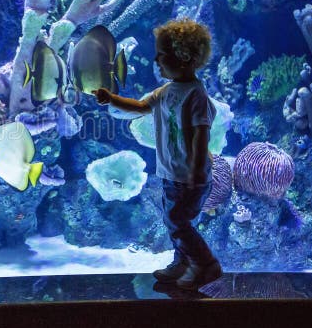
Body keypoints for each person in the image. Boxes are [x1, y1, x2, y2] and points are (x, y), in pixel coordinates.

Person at [93, 17, 222, 291]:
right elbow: (140, 106)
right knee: (173, 220)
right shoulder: (167, 91)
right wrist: (112, 98)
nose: (156, 60)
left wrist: (197, 171)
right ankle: (183, 262)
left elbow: (201, 136)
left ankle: (206, 264)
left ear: (183, 57)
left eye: (162, 54)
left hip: (190, 176)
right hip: (171, 173)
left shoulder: (196, 95)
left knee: (179, 222)